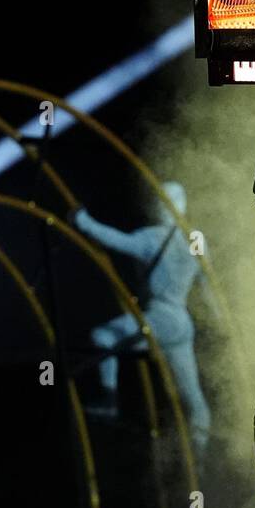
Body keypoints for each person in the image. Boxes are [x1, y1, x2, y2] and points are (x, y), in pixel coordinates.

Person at [72, 182, 211, 449]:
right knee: (193, 399)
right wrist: (219, 320)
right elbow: (207, 285)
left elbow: (115, 240)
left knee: (102, 337)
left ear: (161, 206)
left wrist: (83, 221)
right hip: (181, 324)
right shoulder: (196, 240)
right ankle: (201, 459)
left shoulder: (152, 238)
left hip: (160, 319)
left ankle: (110, 402)